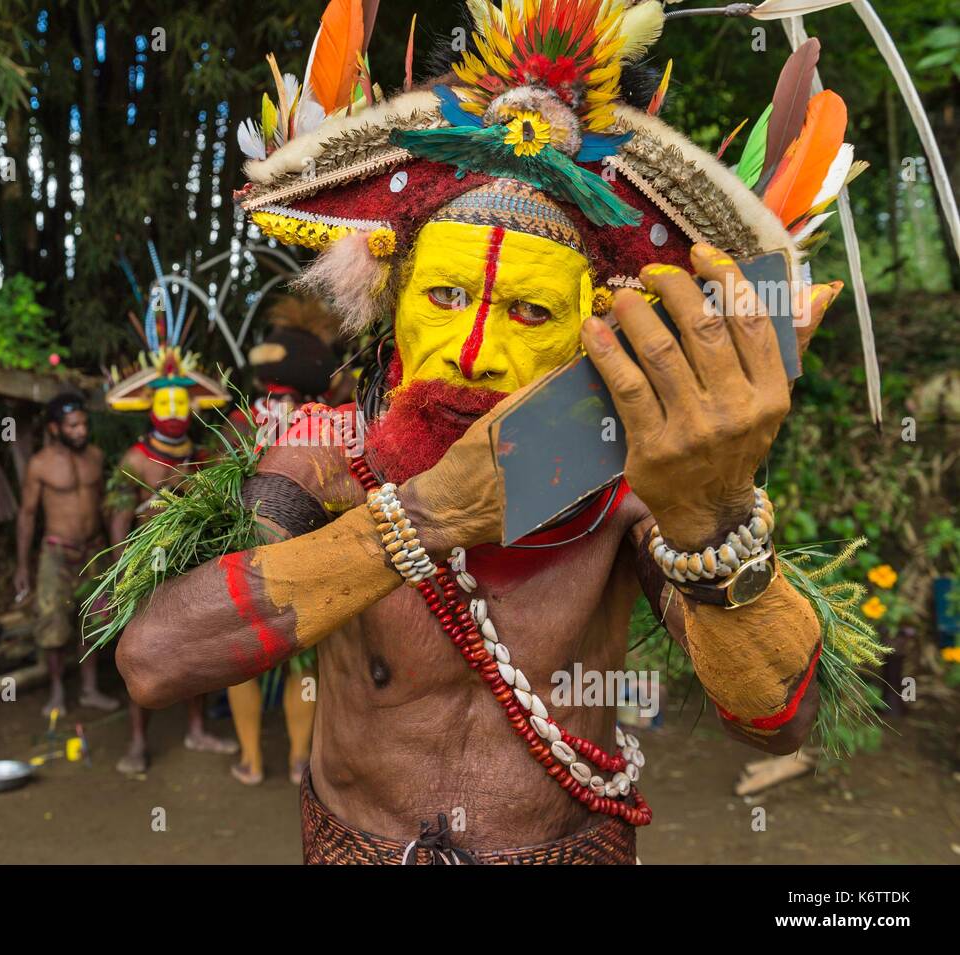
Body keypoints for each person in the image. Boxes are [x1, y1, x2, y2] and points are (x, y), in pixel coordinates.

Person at [111, 0, 872, 863]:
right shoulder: (326, 457)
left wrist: (714, 515)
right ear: (391, 303)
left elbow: (778, 721)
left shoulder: (626, 486)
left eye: (529, 310)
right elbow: (156, 658)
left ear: (597, 328)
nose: (473, 354)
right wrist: (423, 517)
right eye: (445, 298)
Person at [104, 345, 238, 774]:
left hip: (191, 564)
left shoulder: (201, 457)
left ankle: (196, 728)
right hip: (146, 569)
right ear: (150, 406)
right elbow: (118, 518)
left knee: (195, 650)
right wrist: (121, 572)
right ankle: (138, 742)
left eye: (183, 400)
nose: (176, 409)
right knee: (141, 652)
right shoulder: (135, 460)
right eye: (167, 400)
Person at [224, 296, 339, 786]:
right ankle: (298, 760)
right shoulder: (333, 423)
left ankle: (251, 761)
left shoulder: (239, 423)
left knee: (241, 658)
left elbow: (214, 485)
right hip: (309, 556)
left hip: (243, 558)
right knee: (303, 656)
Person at [14, 392, 119, 716]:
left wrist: (116, 551)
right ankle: (57, 691)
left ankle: (89, 689)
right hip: (57, 552)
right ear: (55, 428)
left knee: (95, 620)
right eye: (73, 425)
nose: (81, 431)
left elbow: (106, 506)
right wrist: (22, 564)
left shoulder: (96, 457)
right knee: (53, 623)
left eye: (84, 424)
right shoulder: (40, 464)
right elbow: (28, 514)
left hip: (94, 550)